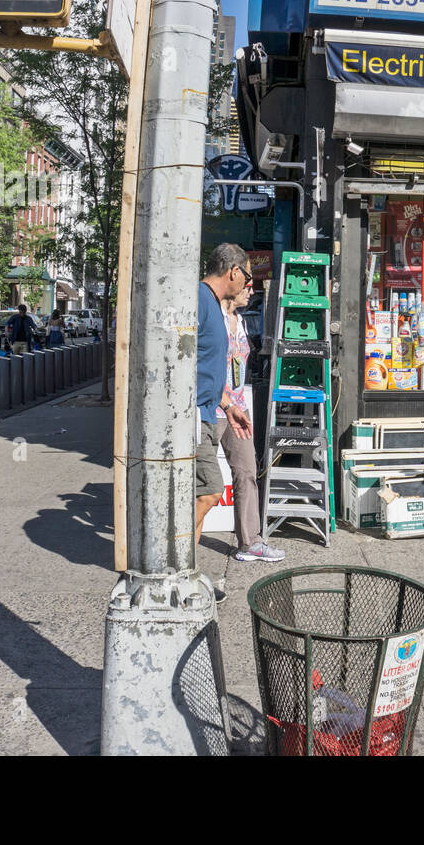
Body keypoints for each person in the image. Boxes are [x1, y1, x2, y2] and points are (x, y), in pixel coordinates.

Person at [194, 244, 256, 601]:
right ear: (233, 271)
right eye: (246, 276)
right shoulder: (202, 300)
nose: (247, 284)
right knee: (209, 491)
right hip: (195, 416)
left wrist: (226, 404)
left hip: (209, 408)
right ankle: (174, 567)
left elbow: (204, 366)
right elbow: (181, 355)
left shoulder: (212, 307)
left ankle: (186, 570)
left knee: (203, 491)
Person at [221, 280, 284, 563]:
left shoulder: (241, 321)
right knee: (199, 480)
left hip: (239, 408)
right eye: (246, 285)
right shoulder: (214, 319)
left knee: (247, 471)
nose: (250, 291)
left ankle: (250, 542)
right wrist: (225, 402)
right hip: (212, 407)